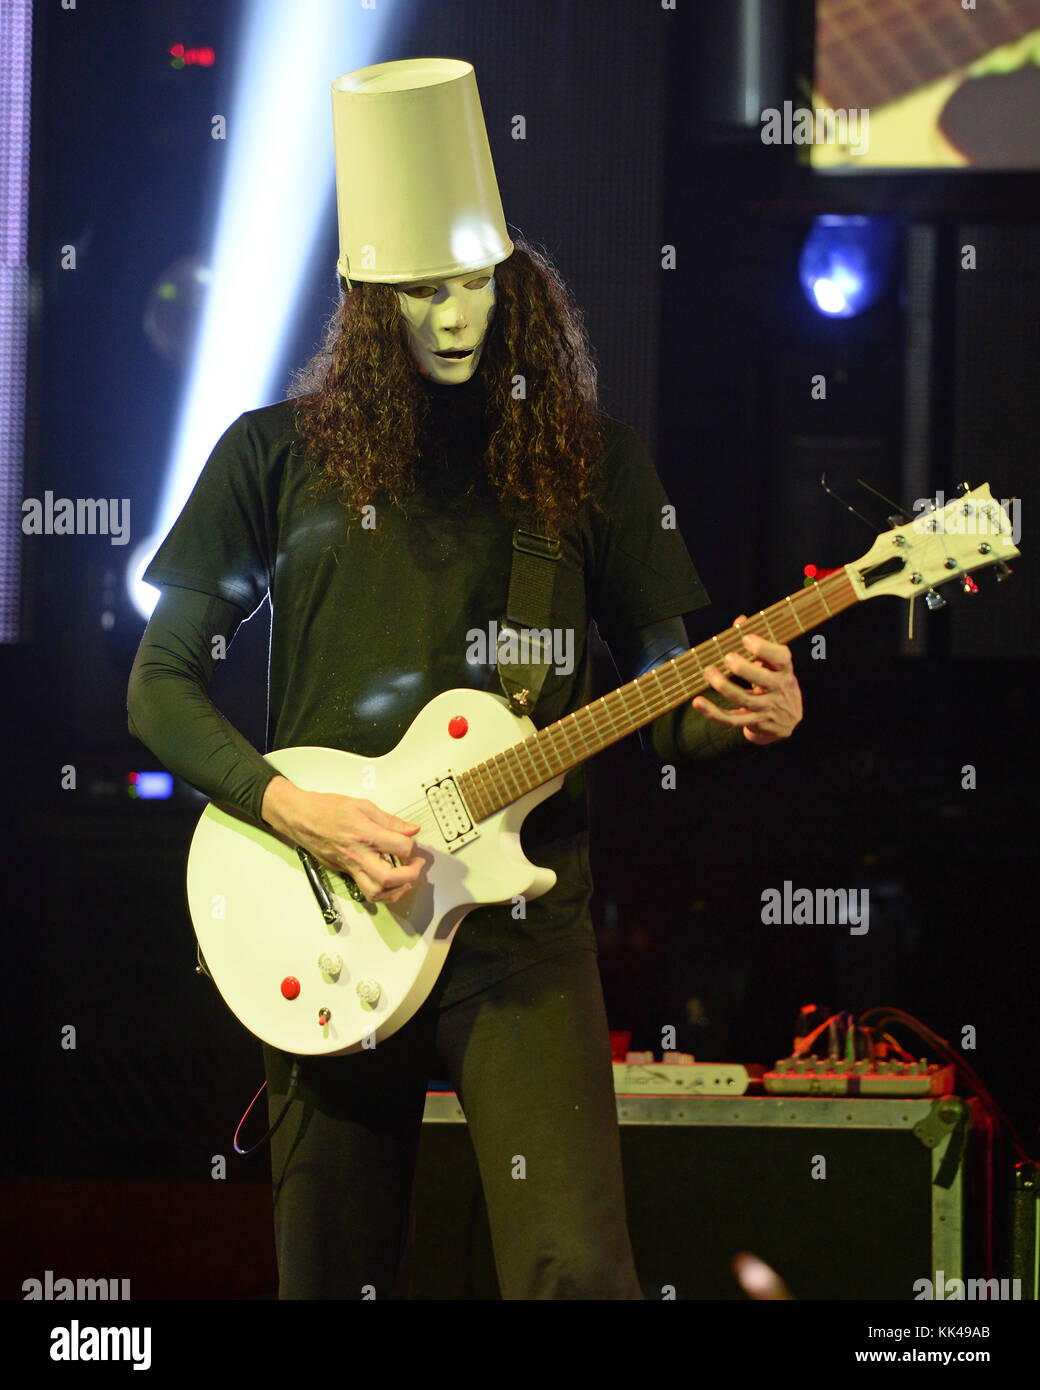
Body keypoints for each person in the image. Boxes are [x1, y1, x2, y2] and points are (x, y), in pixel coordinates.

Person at [127, 58, 802, 1300]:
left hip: (520, 935)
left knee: (576, 1274)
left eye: (478, 284)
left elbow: (666, 711)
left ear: (519, 282)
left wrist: (745, 714)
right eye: (420, 292)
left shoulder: (592, 466)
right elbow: (160, 684)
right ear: (364, 301)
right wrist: (290, 807)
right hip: (328, 911)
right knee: (327, 1277)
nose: (453, 317)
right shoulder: (270, 458)